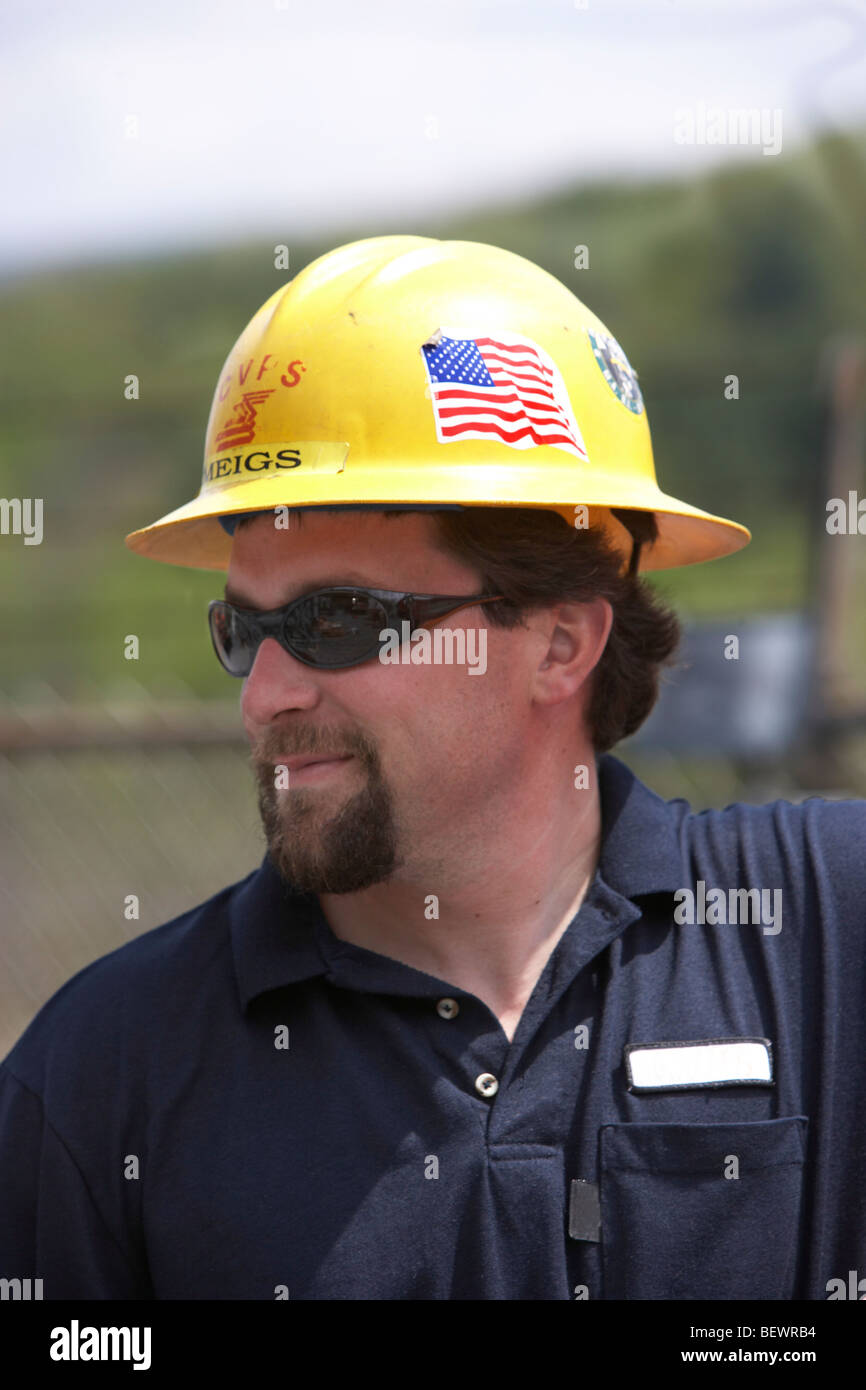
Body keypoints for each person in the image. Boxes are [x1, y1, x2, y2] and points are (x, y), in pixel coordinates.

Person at [1, 236, 864, 1302]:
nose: (264, 693)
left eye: (340, 618)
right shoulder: (101, 1076)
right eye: (245, 628)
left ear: (559, 643)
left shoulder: (822, 931)